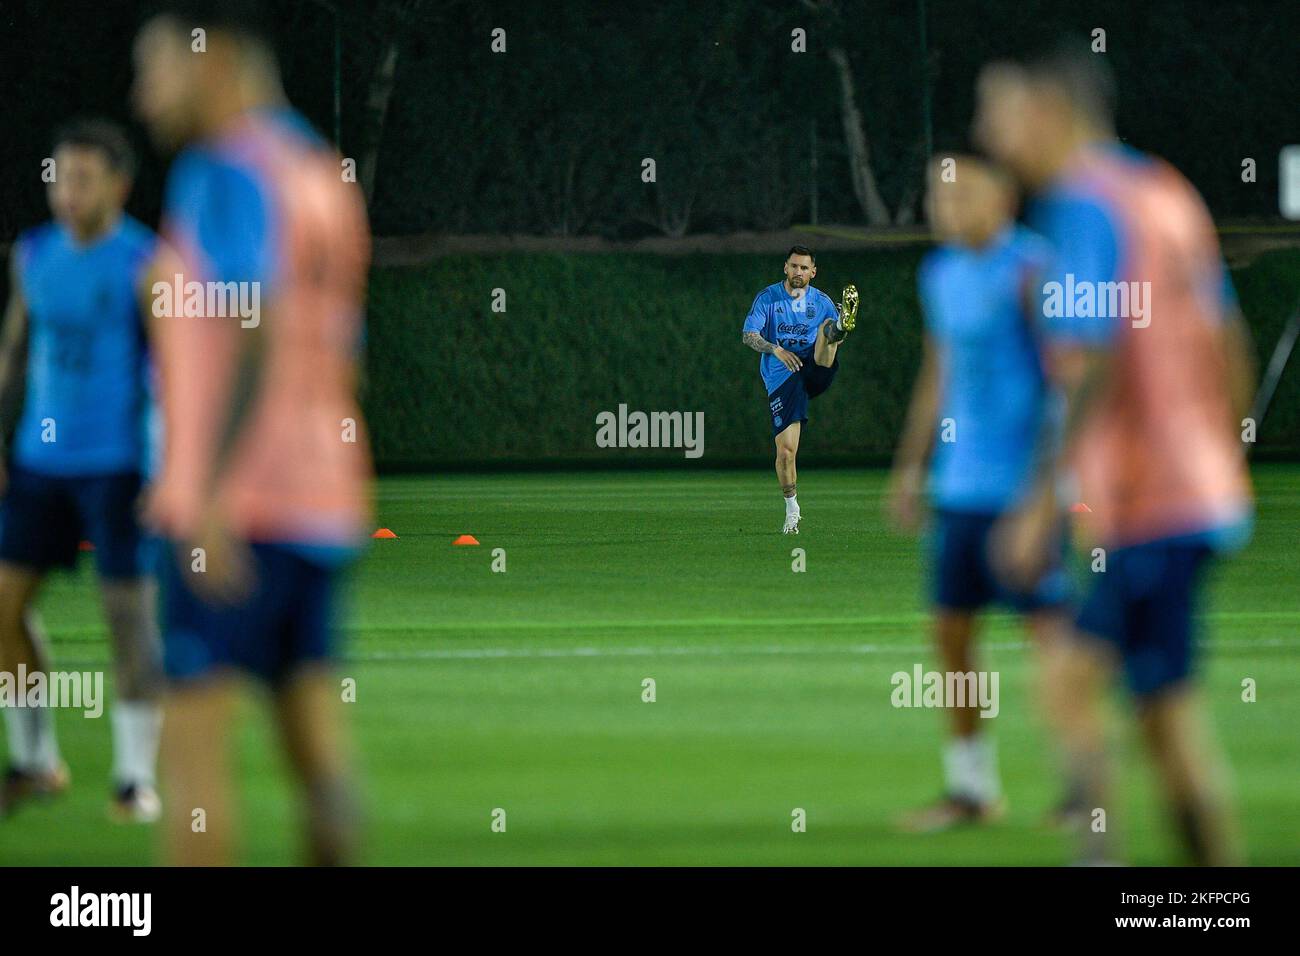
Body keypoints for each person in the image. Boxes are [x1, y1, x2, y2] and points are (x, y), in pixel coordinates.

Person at [974, 40, 1254, 864]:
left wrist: (1035, 501)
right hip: (1188, 495)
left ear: (1051, 111)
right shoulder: (1164, 193)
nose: (990, 131)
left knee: (1067, 685)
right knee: (1167, 722)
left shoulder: (1084, 208)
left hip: (1149, 504)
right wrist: (1219, 458)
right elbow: (1227, 342)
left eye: (1001, 109)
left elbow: (1088, 362)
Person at [132, 0, 373, 864]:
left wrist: (210, 495)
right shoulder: (321, 173)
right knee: (318, 755)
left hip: (237, 505)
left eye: (157, 67)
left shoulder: (223, 171)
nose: (144, 92)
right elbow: (343, 347)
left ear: (216, 57)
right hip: (323, 496)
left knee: (192, 772)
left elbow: (256, 321)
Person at [890, 155, 1070, 830]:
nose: (946, 205)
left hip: (1024, 488)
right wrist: (911, 467)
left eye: (961, 192)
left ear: (1002, 198)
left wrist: (1051, 484)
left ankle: (1084, 788)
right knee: (950, 633)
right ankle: (971, 791)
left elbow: (1066, 376)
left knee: (1051, 638)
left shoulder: (1033, 268)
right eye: (938, 193)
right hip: (960, 489)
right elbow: (938, 372)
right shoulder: (938, 274)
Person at [0, 119, 163, 823]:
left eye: (83, 179)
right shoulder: (34, 255)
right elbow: (13, 353)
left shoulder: (146, 262)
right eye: (59, 178)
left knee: (128, 619)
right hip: (40, 466)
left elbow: (177, 370)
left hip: (118, 466)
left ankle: (134, 780)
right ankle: (36, 763)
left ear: (118, 186)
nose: (67, 192)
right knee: (4, 610)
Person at [742, 245, 857, 533]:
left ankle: (842, 324)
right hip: (784, 377)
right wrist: (774, 349)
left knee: (828, 330)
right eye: (794, 266)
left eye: (804, 268)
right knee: (786, 452)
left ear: (813, 272)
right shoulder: (768, 299)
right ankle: (792, 508)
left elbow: (832, 342)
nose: (798, 272)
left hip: (817, 365)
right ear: (785, 267)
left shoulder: (821, 301)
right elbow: (748, 335)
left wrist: (837, 333)